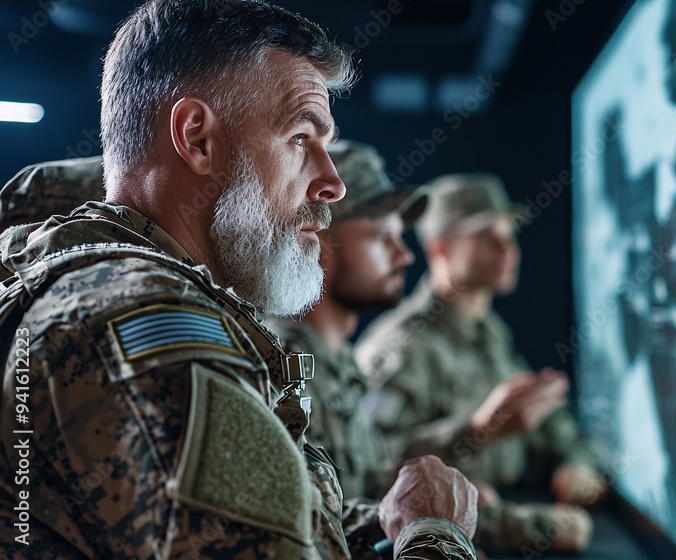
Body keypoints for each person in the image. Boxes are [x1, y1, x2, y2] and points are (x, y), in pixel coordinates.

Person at [0, 1, 477, 558]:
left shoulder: (74, 270)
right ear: (197, 139)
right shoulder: (151, 332)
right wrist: (436, 533)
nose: (332, 184)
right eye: (301, 139)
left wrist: (385, 522)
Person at [269, 141, 593, 555]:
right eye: (378, 237)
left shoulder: (335, 360)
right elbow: (319, 525)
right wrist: (511, 522)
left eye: (398, 236)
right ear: (317, 240)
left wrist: (454, 496)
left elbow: (371, 483)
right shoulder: (286, 367)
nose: (404, 255)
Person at [355, 173, 608, 518]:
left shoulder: (488, 331)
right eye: (485, 236)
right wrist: (477, 430)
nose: (508, 249)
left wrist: (575, 463)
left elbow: (547, 424)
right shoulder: (401, 348)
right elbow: (367, 467)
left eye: (508, 232)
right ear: (440, 247)